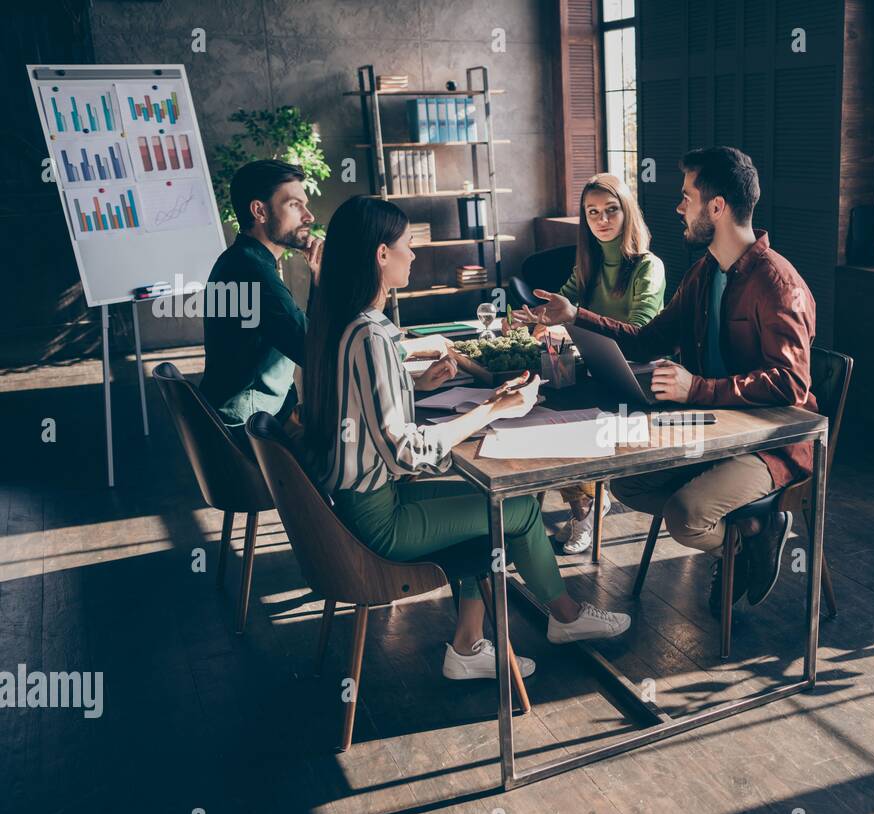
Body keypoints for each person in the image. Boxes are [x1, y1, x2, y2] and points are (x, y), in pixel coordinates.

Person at [302, 196, 631, 683]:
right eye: (407, 246)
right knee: (516, 507)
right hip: (377, 522)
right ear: (380, 255)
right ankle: (564, 618)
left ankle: (471, 644)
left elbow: (358, 399)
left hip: (355, 505)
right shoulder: (371, 335)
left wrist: (413, 385)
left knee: (488, 496)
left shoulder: (345, 324)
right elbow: (405, 451)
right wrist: (490, 409)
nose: (413, 255)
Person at [514, 147, 817, 617]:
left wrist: (695, 388)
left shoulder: (778, 283)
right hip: (711, 428)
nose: (678, 207)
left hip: (771, 443)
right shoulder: (704, 273)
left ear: (716, 207)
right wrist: (577, 316)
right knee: (626, 486)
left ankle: (755, 532)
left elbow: (791, 385)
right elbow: (646, 339)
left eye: (686, 197)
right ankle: (745, 534)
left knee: (686, 516)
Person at [544, 173, 665, 554]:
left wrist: (573, 316)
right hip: (601, 372)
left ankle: (586, 508)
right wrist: (533, 320)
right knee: (546, 409)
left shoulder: (649, 266)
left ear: (627, 212)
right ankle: (584, 502)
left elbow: (640, 332)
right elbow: (559, 308)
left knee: (566, 417)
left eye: (611, 210)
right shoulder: (588, 264)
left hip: (641, 382)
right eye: (592, 212)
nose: (602, 220)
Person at [200, 160, 322, 448]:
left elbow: (306, 339)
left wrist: (317, 279)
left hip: (256, 421)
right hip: (254, 433)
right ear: (260, 211)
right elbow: (315, 351)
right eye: (295, 205)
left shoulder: (241, 261)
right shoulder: (251, 272)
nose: (309, 216)